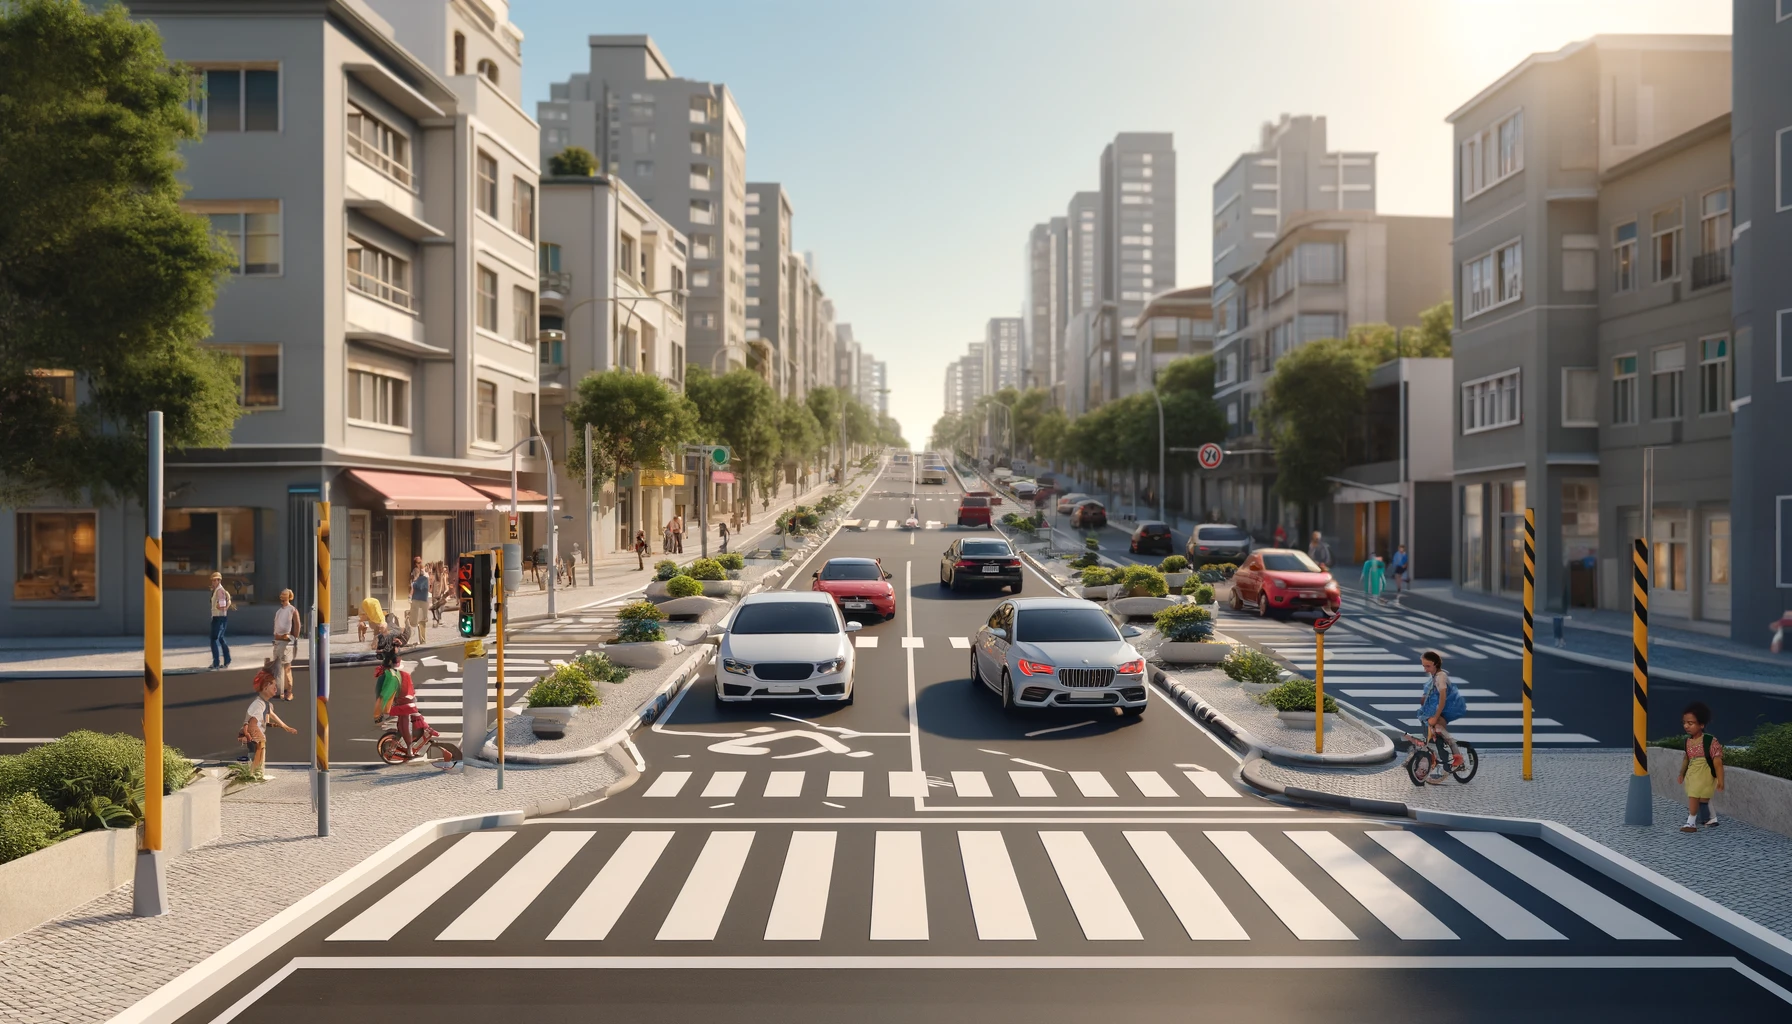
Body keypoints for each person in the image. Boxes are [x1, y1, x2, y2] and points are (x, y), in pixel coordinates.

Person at [240, 665, 297, 778]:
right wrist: (258, 737)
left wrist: (286, 727)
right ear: (265, 687)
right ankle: (253, 774)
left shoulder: (265, 703)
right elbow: (251, 722)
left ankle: (257, 773)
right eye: (273, 685)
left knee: (259, 753)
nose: (276, 688)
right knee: (258, 753)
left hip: (256, 734)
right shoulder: (259, 704)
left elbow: (272, 715)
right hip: (254, 735)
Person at [1418, 651, 1466, 784]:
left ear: (1435, 664)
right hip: (1437, 709)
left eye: (1427, 666)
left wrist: (1436, 716)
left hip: (1446, 709)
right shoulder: (1434, 676)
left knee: (1438, 734)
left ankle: (1447, 767)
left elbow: (1443, 698)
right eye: (1423, 666)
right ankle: (1449, 758)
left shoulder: (1441, 676)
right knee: (1432, 735)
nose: (1425, 669)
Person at [1678, 702, 1725, 832]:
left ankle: (1690, 822)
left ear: (1701, 725)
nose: (1686, 726)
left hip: (1705, 774)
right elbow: (1687, 758)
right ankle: (1710, 819)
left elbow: (1717, 762)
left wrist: (1720, 780)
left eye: (1690, 723)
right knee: (1702, 798)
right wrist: (1682, 773)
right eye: (1684, 723)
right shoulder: (1688, 741)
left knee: (1694, 795)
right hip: (1692, 774)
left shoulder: (1710, 741)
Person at [271, 588, 300, 700]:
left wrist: (294, 638)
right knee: (277, 668)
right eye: (281, 594)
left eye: (284, 594)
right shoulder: (279, 611)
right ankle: (280, 691)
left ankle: (289, 692)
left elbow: (297, 624)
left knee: (287, 667)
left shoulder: (292, 610)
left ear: (289, 597)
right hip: (277, 641)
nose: (282, 596)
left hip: (286, 642)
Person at [207, 572, 233, 670]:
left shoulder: (220, 591)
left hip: (218, 618)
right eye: (212, 580)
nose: (213, 582)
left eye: (215, 580)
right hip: (221, 618)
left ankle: (216, 663)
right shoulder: (219, 590)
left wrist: (220, 606)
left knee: (214, 639)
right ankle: (227, 660)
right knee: (221, 639)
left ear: (219, 580)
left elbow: (222, 606)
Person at [407, 555, 430, 643]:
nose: (420, 564)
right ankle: (408, 637)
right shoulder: (415, 571)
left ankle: (423, 640)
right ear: (415, 564)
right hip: (416, 599)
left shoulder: (424, 573)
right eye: (418, 563)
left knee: (422, 620)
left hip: (423, 598)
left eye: (420, 562)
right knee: (414, 620)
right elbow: (413, 584)